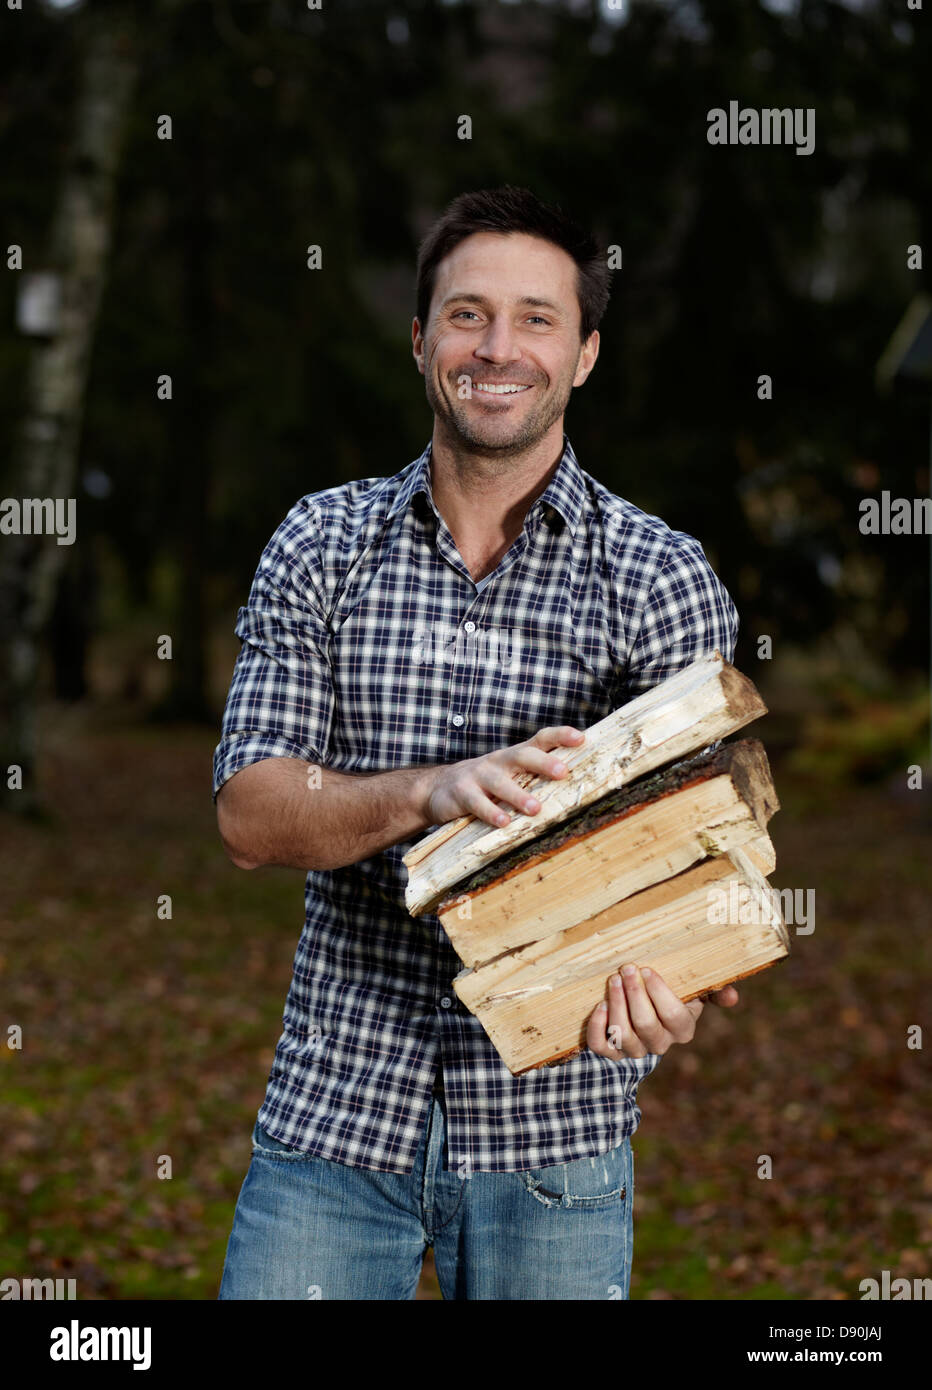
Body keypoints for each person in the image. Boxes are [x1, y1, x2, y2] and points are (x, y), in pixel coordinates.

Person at [212, 185, 740, 1301]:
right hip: (334, 1118)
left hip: (552, 1137)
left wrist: (673, 992)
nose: (498, 348)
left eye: (536, 319)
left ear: (584, 353)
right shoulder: (320, 542)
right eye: (466, 314)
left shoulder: (659, 579)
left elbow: (694, 872)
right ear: (419, 341)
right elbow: (251, 815)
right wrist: (433, 792)